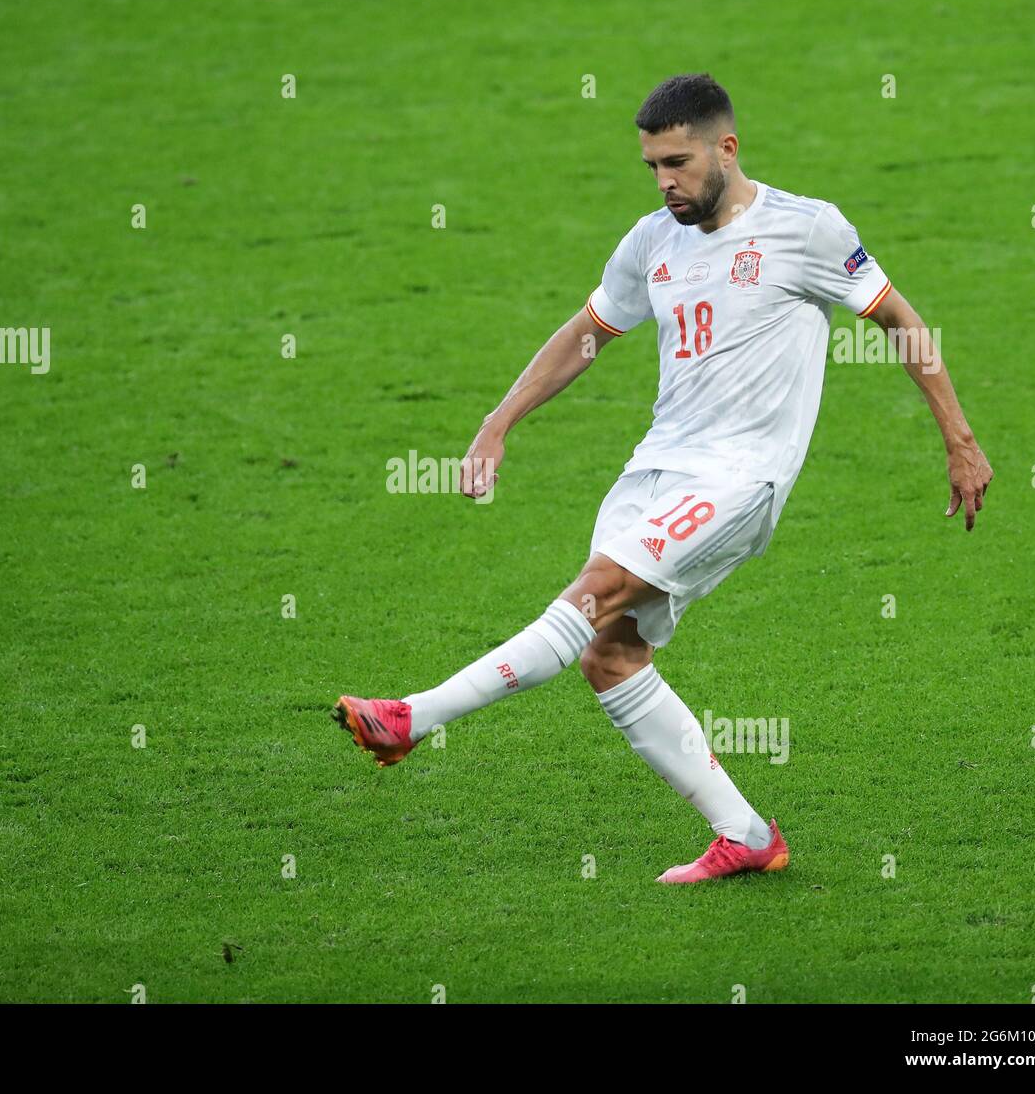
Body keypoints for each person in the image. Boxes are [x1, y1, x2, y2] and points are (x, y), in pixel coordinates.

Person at [333, 73, 993, 884]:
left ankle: (411, 718)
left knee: (596, 590)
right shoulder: (652, 241)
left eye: (677, 162)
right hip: (655, 470)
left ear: (727, 147)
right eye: (651, 166)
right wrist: (496, 424)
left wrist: (959, 441)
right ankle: (746, 835)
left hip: (741, 481)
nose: (664, 182)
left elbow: (900, 320)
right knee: (609, 654)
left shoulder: (807, 230)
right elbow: (586, 334)